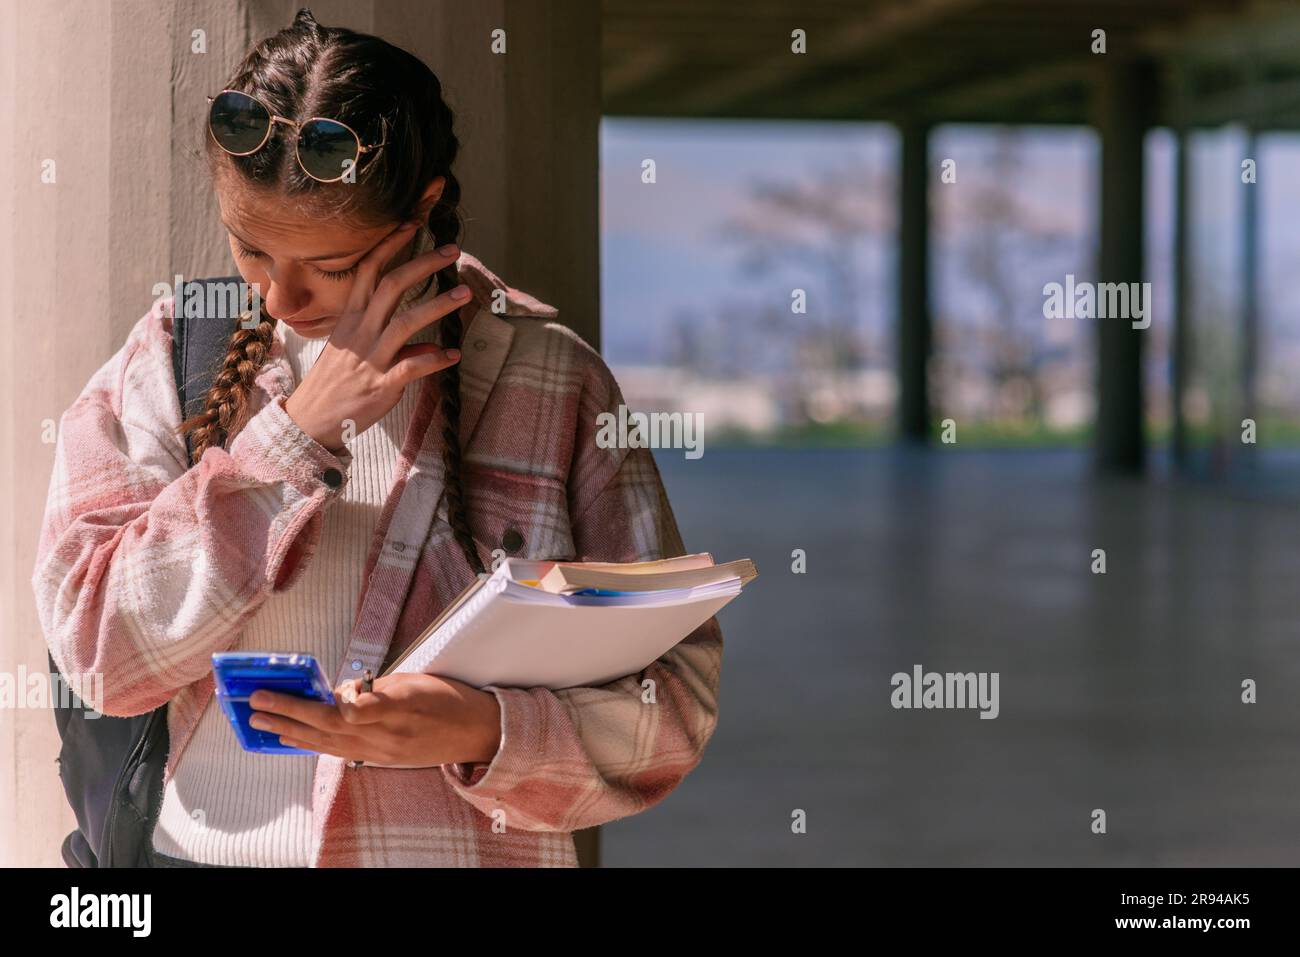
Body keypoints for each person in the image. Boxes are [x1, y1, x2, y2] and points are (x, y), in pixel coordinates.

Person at [30, 8, 723, 868]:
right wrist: (296, 434)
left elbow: (676, 701)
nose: (281, 299)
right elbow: (99, 654)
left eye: (329, 265)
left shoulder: (552, 382)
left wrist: (483, 727)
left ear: (424, 205)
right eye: (251, 251)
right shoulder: (174, 355)